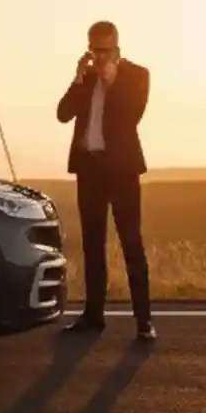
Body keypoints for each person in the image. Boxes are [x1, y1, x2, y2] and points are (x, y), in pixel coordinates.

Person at [55, 20, 156, 340]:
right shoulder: (85, 80)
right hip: (90, 169)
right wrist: (78, 79)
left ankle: (144, 321)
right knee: (92, 245)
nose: (98, 57)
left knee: (131, 242)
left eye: (105, 50)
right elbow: (62, 113)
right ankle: (93, 315)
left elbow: (131, 117)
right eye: (94, 50)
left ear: (117, 48)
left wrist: (111, 83)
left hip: (122, 170)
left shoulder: (137, 75)